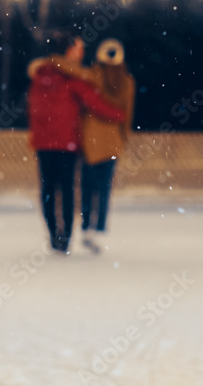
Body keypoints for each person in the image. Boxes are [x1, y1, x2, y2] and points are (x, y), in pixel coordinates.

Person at [27, 33, 125, 254]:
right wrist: (120, 115)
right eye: (79, 49)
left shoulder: (39, 77)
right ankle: (66, 237)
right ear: (68, 51)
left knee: (48, 189)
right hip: (66, 143)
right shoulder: (72, 78)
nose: (82, 53)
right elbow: (95, 102)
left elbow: (32, 110)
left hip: (43, 144)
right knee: (67, 190)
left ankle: (54, 235)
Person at [79, 39, 135, 254]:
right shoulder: (126, 81)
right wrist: (124, 137)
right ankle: (99, 227)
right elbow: (127, 112)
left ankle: (87, 226)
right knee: (104, 188)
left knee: (87, 187)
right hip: (113, 140)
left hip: (90, 138)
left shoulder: (93, 76)